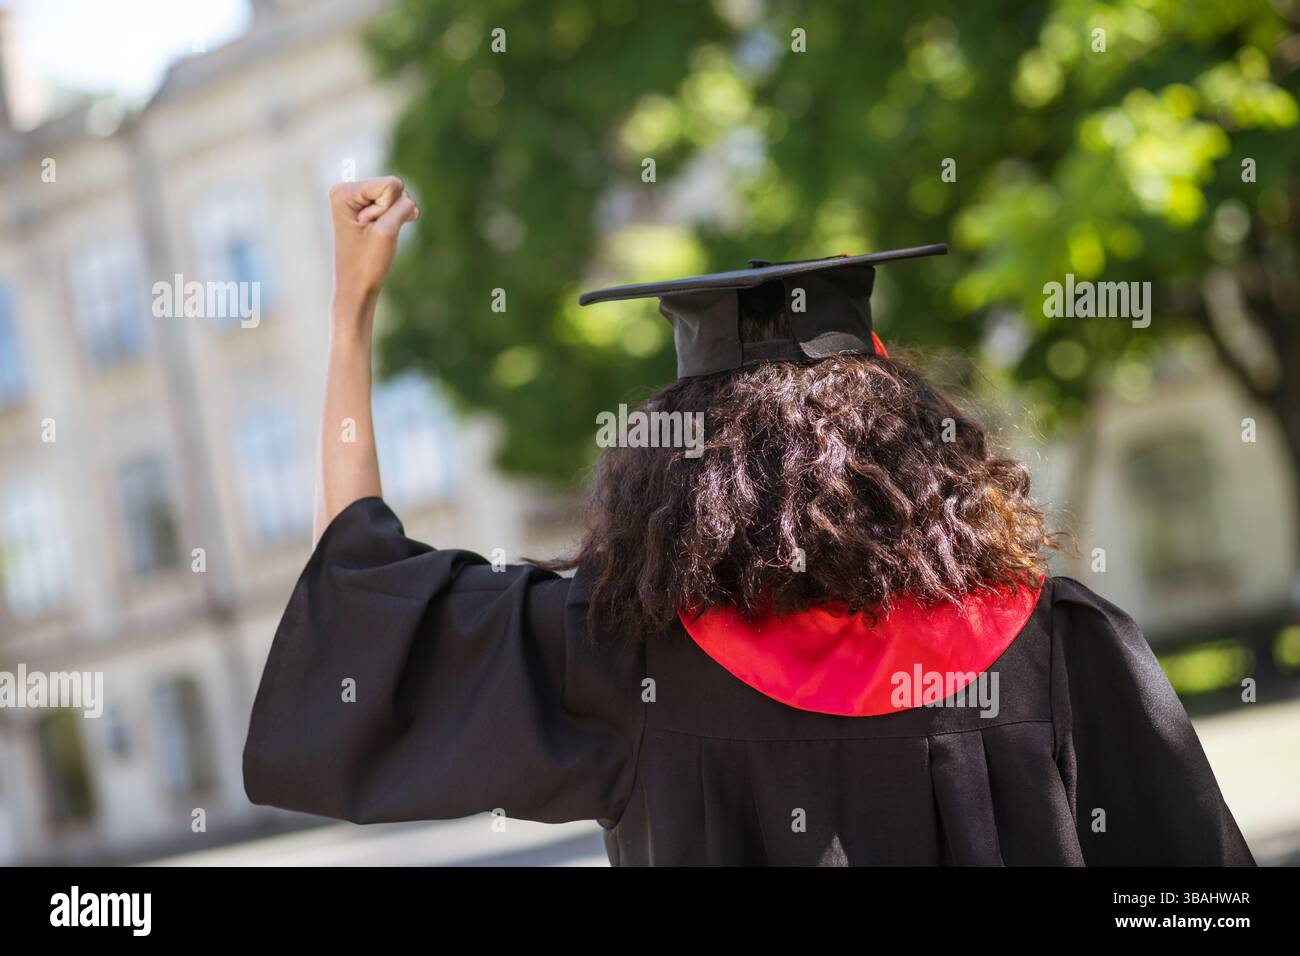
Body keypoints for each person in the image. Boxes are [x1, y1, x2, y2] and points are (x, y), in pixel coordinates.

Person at [242, 176, 1254, 866]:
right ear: (911, 434)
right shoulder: (1059, 642)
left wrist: (351, 314)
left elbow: (369, 588)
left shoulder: (612, 658)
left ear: (673, 460)